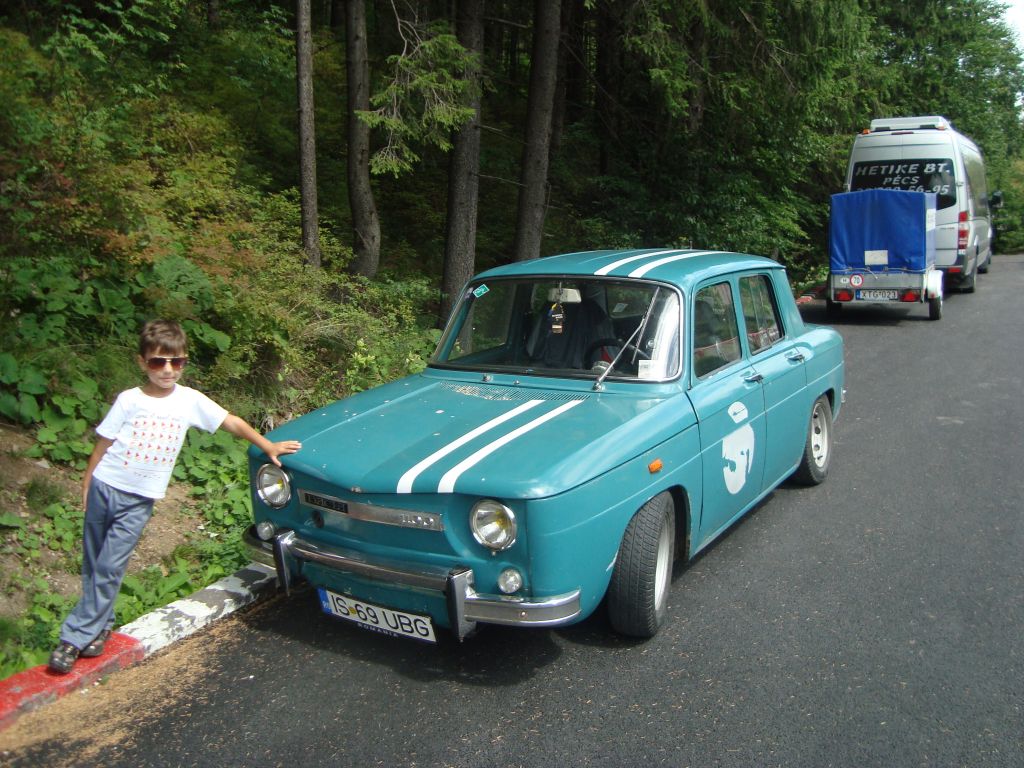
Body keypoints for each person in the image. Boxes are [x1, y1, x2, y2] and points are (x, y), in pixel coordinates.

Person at [48, 319, 302, 674]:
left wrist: (267, 444)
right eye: (157, 362)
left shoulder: (189, 401)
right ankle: (100, 625)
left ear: (183, 363)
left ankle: (72, 639)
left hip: (138, 500)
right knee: (94, 564)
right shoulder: (129, 400)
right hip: (106, 486)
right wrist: (88, 480)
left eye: (176, 362)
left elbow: (231, 422)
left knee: (109, 565)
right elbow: (104, 443)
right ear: (142, 363)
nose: (167, 370)